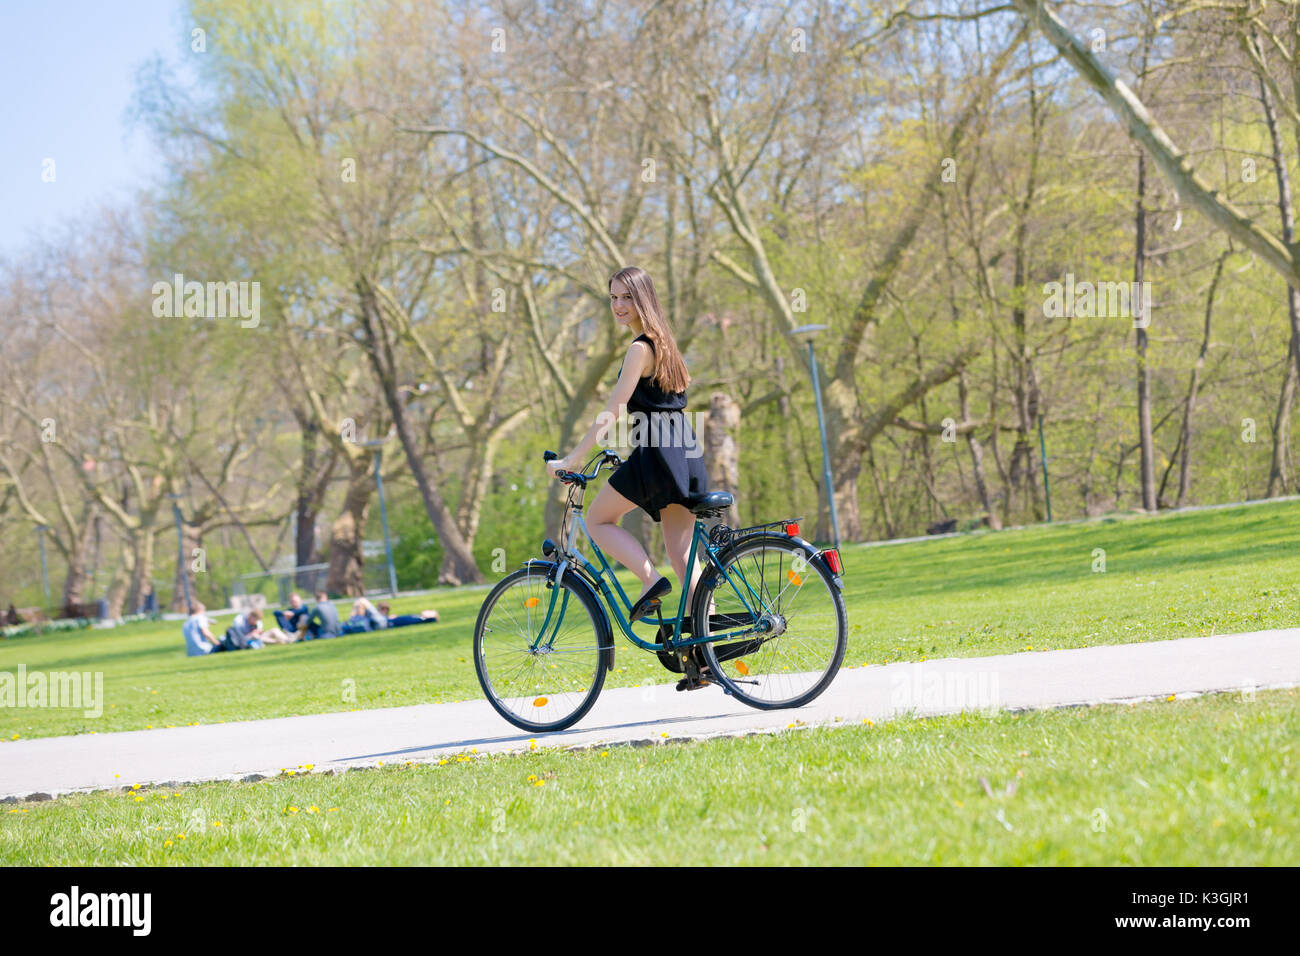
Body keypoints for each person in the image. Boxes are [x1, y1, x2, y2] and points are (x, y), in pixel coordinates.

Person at [546, 266, 711, 623]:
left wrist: (573, 458)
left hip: (657, 452)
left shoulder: (639, 348)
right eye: (613, 298)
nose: (619, 305)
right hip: (686, 449)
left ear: (644, 299)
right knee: (683, 556)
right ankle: (708, 638)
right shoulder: (665, 343)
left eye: (627, 297)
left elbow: (613, 411)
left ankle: (650, 580)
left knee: (597, 520)